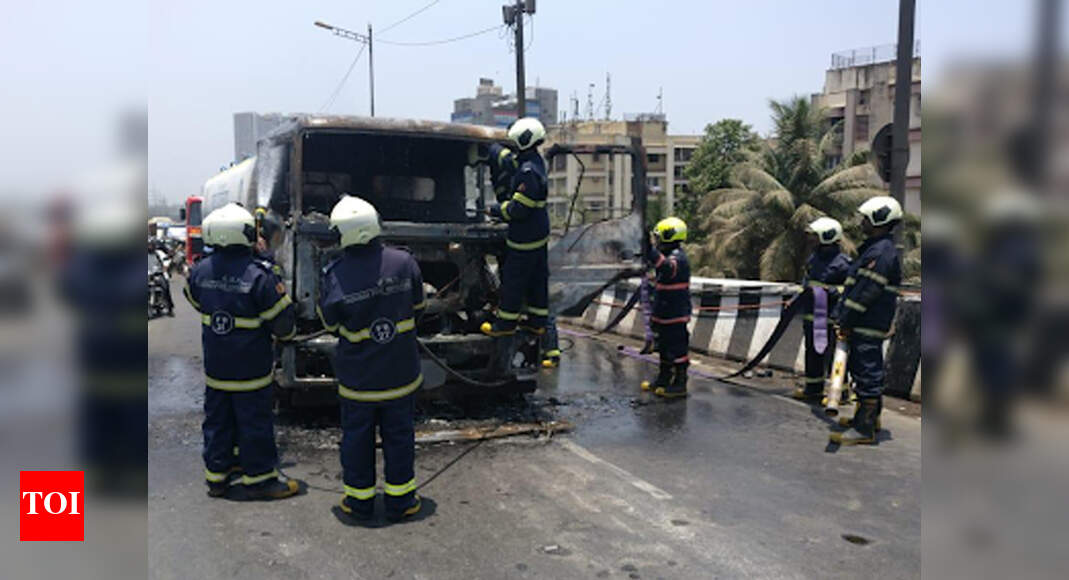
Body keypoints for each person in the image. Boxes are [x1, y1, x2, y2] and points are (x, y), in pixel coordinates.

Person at [318, 195, 425, 521]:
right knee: (400, 438)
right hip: (400, 377)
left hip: (359, 382)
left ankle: (359, 502)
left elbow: (330, 324)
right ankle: (402, 501)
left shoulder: (335, 274)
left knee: (356, 441)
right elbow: (418, 308)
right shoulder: (404, 262)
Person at [184, 203, 301, 499]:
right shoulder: (259, 275)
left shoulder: (200, 271)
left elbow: (195, 300)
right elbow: (284, 326)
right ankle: (260, 480)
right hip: (251, 372)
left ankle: (217, 478)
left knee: (218, 422)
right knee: (254, 424)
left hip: (217, 371)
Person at [829, 196, 903, 445]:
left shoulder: (881, 253)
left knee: (867, 372)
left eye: (866, 218)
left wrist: (845, 318)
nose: (862, 222)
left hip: (868, 322)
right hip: (864, 321)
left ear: (879, 220)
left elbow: (865, 293)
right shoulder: (874, 249)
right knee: (863, 369)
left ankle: (864, 428)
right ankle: (870, 418)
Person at [476, 117, 551, 339]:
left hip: (524, 238)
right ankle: (537, 323)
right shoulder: (534, 163)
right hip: (538, 235)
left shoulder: (527, 172)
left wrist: (496, 210)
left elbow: (519, 209)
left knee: (513, 280)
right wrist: (493, 149)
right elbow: (510, 162)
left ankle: (504, 325)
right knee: (537, 281)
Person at [791, 217, 851, 402]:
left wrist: (831, 291)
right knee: (812, 351)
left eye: (816, 236)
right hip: (811, 315)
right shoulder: (814, 258)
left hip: (831, 316)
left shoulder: (843, 263)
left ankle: (840, 392)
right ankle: (813, 389)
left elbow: (849, 290)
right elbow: (807, 282)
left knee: (833, 354)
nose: (812, 239)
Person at [639, 217, 692, 398]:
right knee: (664, 348)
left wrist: (650, 250)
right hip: (663, 312)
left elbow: (668, 268)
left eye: (659, 238)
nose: (658, 242)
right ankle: (663, 378)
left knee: (677, 349)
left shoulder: (678, 258)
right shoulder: (669, 256)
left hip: (675, 314)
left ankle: (680, 382)